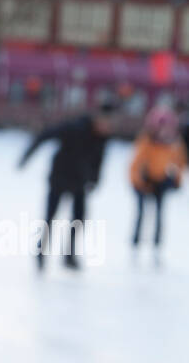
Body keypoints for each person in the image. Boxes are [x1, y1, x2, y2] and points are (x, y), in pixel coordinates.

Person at [17, 97, 119, 271]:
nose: (108, 126)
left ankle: (69, 255)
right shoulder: (76, 128)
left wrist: (95, 179)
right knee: (51, 217)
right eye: (106, 122)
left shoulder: (103, 137)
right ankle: (41, 252)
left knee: (79, 218)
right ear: (98, 118)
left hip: (80, 181)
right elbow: (46, 134)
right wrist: (27, 155)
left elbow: (99, 159)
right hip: (60, 178)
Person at [129, 105, 187, 250]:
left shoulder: (173, 143)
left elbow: (180, 162)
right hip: (144, 180)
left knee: (160, 214)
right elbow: (135, 164)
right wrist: (139, 183)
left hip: (160, 180)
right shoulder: (146, 141)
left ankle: (157, 243)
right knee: (141, 213)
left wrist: (177, 180)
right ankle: (136, 242)